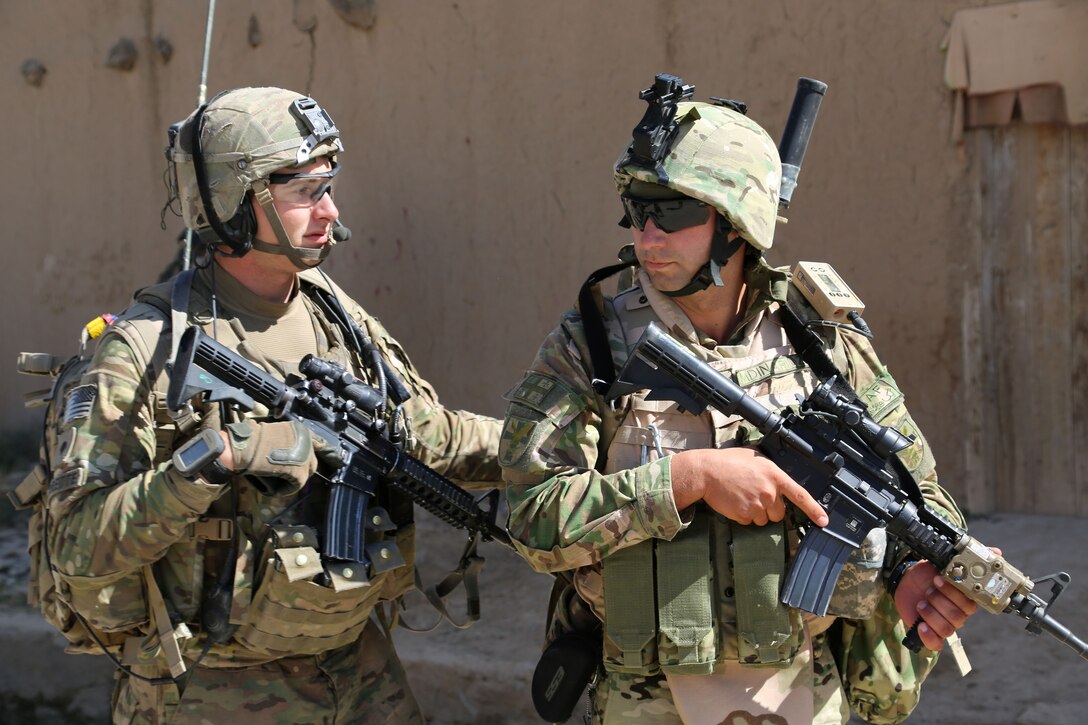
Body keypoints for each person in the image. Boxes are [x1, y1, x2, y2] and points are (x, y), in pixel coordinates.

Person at [499, 78, 978, 724]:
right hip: (650, 698)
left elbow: (919, 494)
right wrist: (686, 480)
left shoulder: (820, 341)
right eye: (635, 209)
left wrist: (914, 570)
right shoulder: (594, 347)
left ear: (736, 221)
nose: (647, 236)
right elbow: (531, 516)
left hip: (801, 689)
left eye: (670, 212)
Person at [45, 87, 502, 723]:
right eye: (305, 192)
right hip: (210, 690)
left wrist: (540, 447)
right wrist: (219, 457)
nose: (330, 211)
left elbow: (416, 433)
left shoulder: (331, 310)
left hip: (358, 666)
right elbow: (75, 547)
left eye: (329, 186)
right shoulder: (143, 350)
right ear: (235, 200)